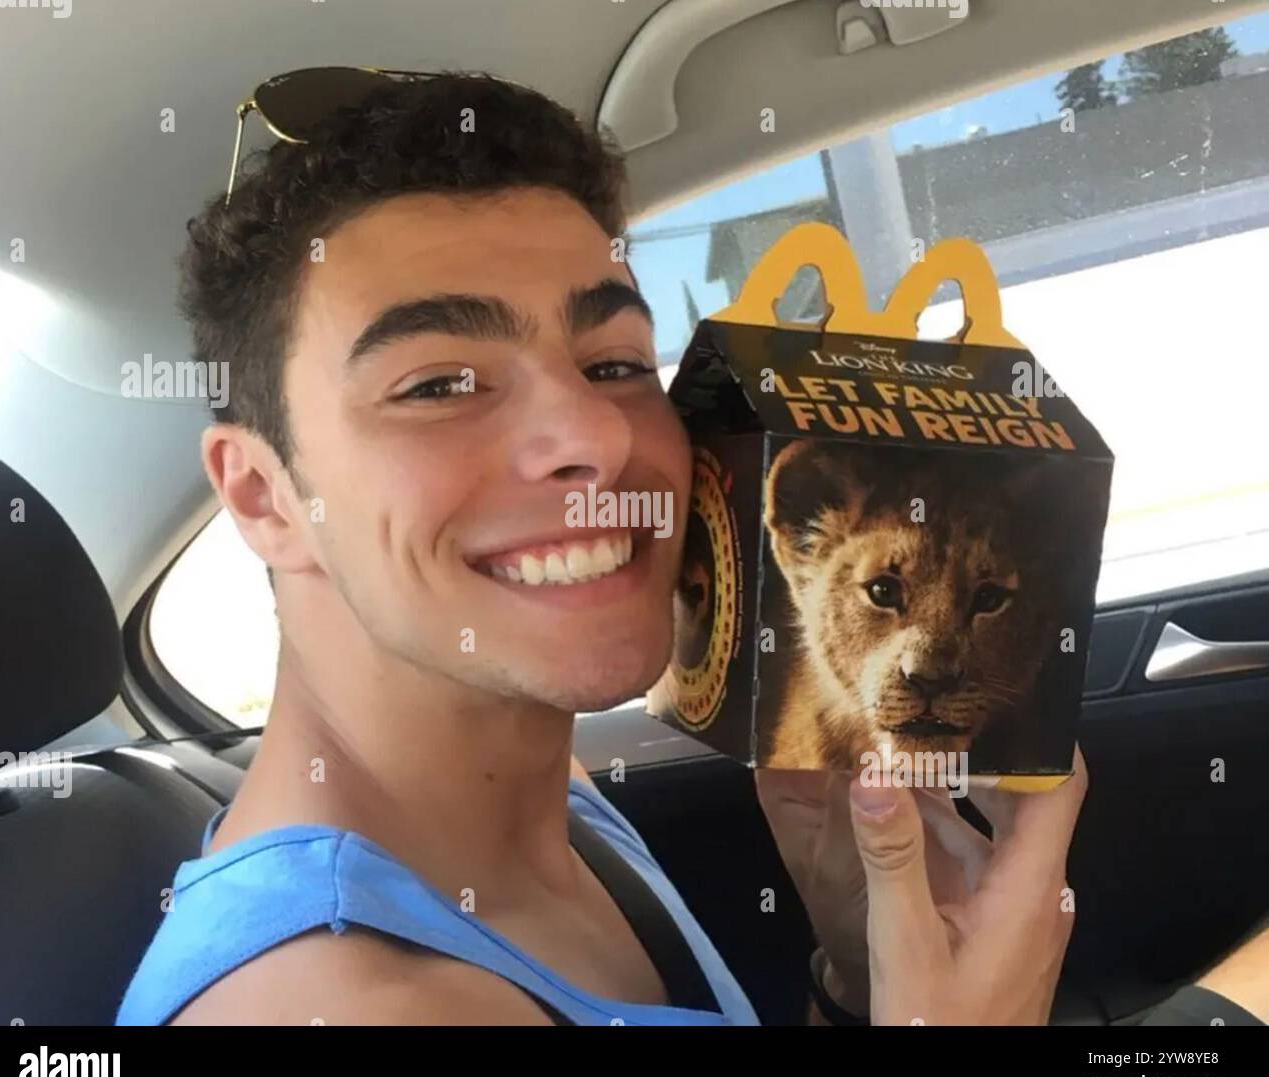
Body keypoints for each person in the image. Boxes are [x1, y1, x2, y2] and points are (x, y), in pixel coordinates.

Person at [115, 71, 1264, 1026]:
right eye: (439, 384)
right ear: (265, 499)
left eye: (612, 360)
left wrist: (862, 986)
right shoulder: (339, 1005)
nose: (592, 437)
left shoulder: (543, 803)